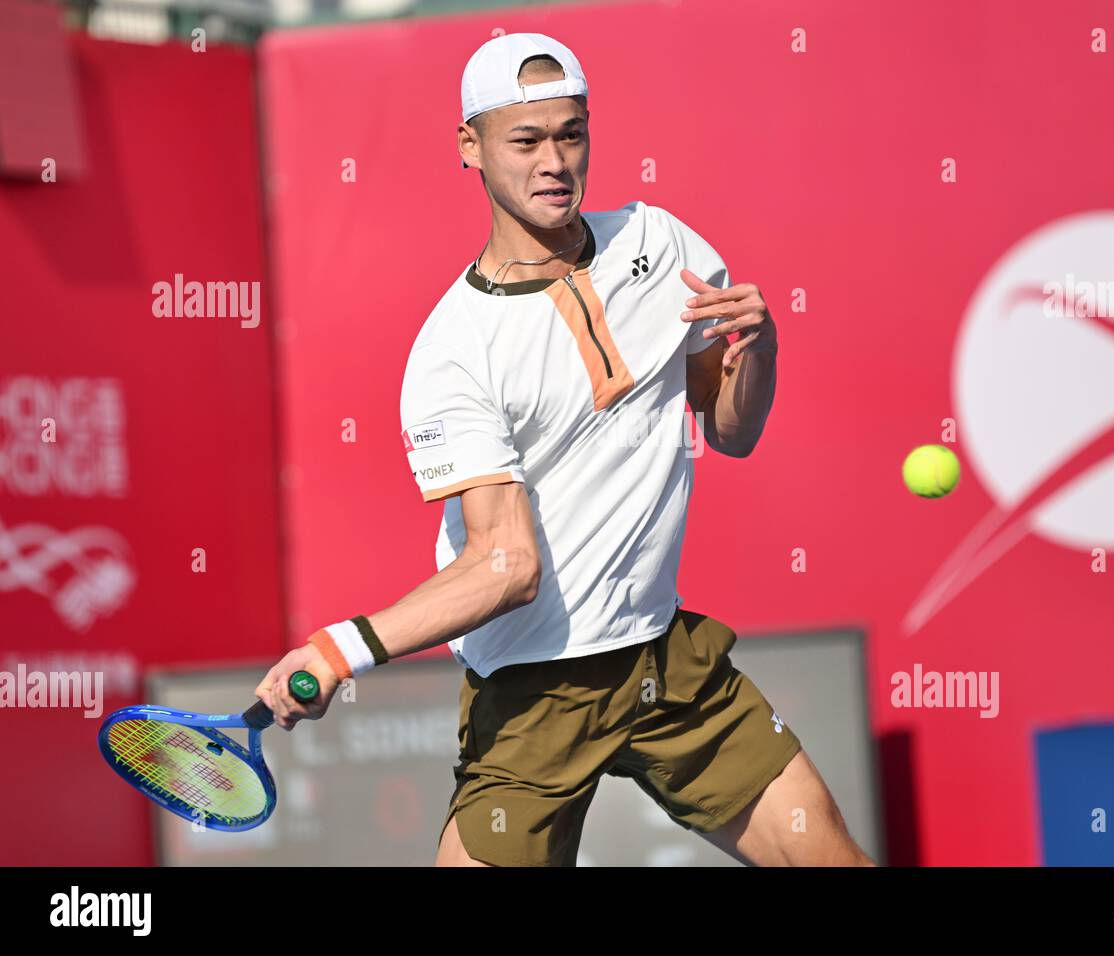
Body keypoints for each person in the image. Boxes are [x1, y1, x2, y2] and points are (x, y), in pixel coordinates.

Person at [255, 32, 873, 868]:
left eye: (570, 134)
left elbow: (731, 430)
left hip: (666, 663)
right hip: (533, 697)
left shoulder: (664, 246)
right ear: (470, 147)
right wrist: (340, 650)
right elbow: (507, 567)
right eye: (526, 140)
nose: (555, 161)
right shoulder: (453, 351)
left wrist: (758, 349)